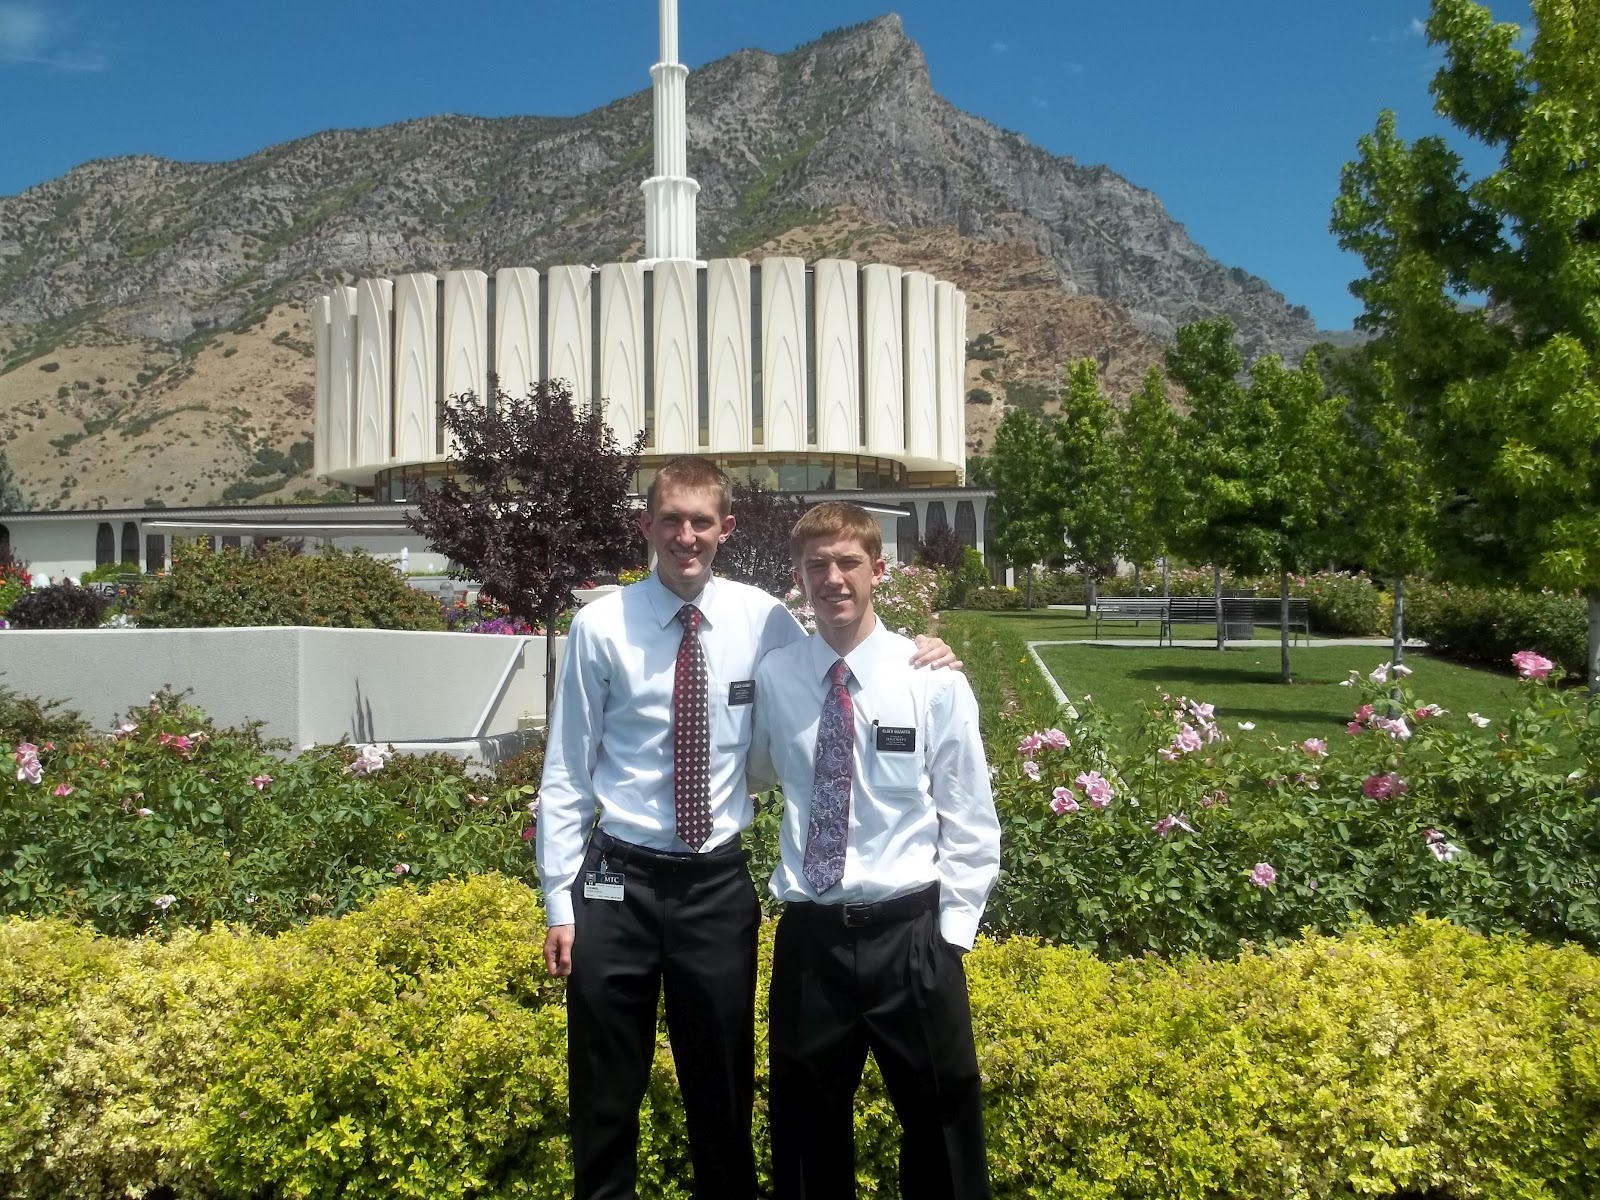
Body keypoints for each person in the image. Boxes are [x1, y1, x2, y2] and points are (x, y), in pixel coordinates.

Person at [537, 457, 956, 1200]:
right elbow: (568, 769)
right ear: (647, 525)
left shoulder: (762, 619)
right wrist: (558, 900)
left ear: (726, 528)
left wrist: (925, 656)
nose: (686, 536)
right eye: (671, 519)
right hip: (615, 884)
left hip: (713, 886)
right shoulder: (600, 627)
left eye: (702, 522)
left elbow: (832, 661)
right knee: (605, 1091)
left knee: (722, 1090)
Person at [749, 501, 1000, 1200]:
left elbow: (970, 817)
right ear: (797, 577)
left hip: (911, 938)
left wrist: (949, 938)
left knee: (944, 1129)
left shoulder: (932, 679)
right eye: (816, 565)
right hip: (812, 944)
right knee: (803, 1134)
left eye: (848, 563)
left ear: (878, 571)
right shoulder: (776, 678)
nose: (833, 578)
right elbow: (752, 773)